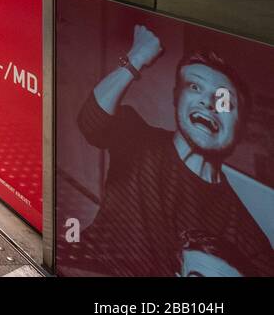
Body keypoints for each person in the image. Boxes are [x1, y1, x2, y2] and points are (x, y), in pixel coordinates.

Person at [70, 24, 274, 277]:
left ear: (240, 128)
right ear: (177, 99)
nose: (209, 103)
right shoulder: (138, 137)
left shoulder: (246, 235)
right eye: (195, 87)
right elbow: (90, 121)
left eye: (224, 100)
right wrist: (136, 58)